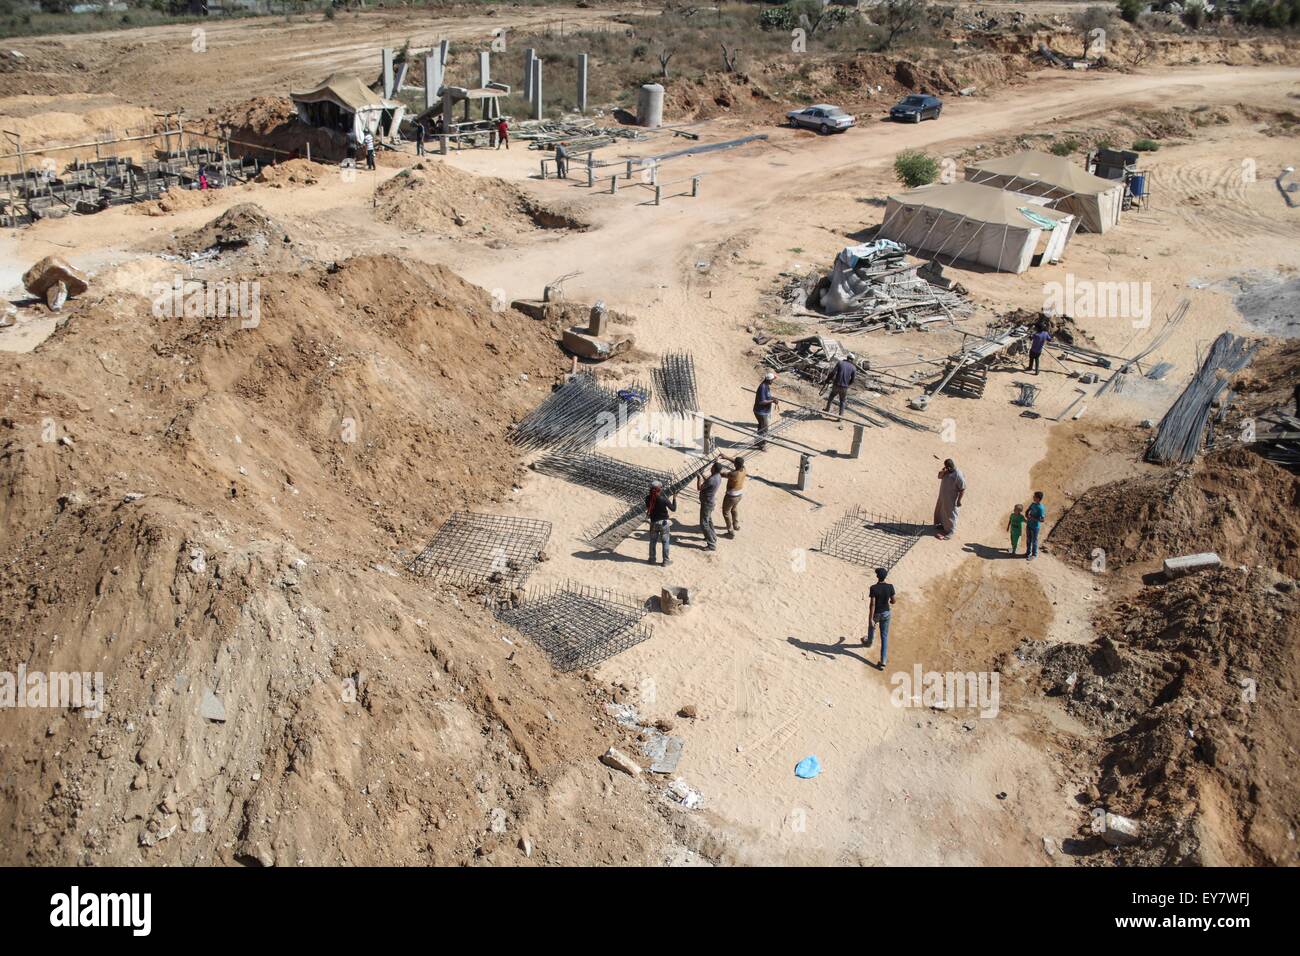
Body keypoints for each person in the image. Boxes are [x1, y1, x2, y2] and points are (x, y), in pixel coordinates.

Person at [864, 567, 896, 669]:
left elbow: (872, 604)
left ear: (877, 576)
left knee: (871, 627)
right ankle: (883, 661)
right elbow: (893, 600)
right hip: (886, 613)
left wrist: (870, 619)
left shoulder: (873, 588)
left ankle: (869, 642)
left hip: (877, 613)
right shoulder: (890, 587)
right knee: (884, 637)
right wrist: (890, 602)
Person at [933, 458, 966, 540]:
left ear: (950, 467)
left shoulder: (958, 475)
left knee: (951, 514)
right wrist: (943, 471)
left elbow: (962, 489)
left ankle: (950, 531)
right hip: (943, 497)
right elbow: (939, 476)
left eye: (947, 467)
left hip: (951, 498)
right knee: (942, 511)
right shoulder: (946, 471)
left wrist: (959, 500)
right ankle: (943, 525)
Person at [645, 481, 677, 566]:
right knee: (665, 542)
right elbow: (673, 509)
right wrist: (674, 498)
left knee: (652, 542)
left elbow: (650, 507)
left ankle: (652, 559)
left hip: (653, 523)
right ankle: (665, 561)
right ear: (659, 489)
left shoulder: (648, 498)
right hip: (663, 523)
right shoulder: (663, 499)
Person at [696, 461, 723, 552]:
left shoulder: (712, 479)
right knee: (709, 520)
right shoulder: (718, 476)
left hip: (707, 503)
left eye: (712, 467)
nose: (710, 468)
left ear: (714, 469)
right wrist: (702, 474)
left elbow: (699, 487)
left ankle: (711, 543)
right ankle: (713, 536)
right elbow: (708, 481)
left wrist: (699, 478)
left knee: (704, 523)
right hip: (710, 502)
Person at [720, 455, 747, 537]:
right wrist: (726, 457)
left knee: (726, 512)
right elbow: (735, 461)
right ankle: (736, 525)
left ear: (735, 465)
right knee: (734, 509)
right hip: (739, 495)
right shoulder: (744, 469)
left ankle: (730, 531)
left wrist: (716, 468)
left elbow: (722, 474)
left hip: (731, 496)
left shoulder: (733, 474)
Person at [823, 353, 857, 418]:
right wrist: (847, 384)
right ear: (852, 360)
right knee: (842, 401)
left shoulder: (840, 363)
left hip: (836, 384)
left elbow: (833, 373)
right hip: (844, 387)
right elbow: (852, 380)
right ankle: (840, 417)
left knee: (831, 397)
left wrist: (827, 380)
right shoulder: (853, 368)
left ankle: (827, 410)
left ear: (847, 357)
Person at [754, 371, 778, 450]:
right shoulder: (762, 387)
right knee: (764, 429)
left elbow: (767, 397)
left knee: (761, 426)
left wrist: (772, 398)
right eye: (772, 380)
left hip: (762, 411)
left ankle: (757, 442)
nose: (772, 381)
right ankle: (762, 445)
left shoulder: (766, 386)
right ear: (768, 380)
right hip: (761, 412)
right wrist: (772, 401)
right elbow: (762, 402)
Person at [1025, 491, 1046, 560]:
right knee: (1028, 539)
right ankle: (1027, 552)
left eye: (1034, 496)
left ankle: (1034, 555)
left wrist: (1033, 518)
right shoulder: (1033, 504)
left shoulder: (1041, 508)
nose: (1033, 497)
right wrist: (1026, 514)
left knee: (1034, 541)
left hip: (1035, 527)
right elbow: (1028, 510)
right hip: (1029, 524)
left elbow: (1042, 520)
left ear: (1038, 498)